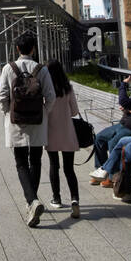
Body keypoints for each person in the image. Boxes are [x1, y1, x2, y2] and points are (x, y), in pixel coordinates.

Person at [0, 33, 57, 227]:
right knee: (36, 161)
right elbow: (51, 96)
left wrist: (9, 114)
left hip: (16, 123)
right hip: (38, 122)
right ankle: (32, 201)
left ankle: (32, 201)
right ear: (33, 49)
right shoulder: (42, 70)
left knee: (21, 162)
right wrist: (43, 113)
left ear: (17, 49)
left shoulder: (8, 68)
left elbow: (2, 97)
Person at [44, 60, 81, 218]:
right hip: (67, 133)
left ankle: (57, 198)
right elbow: (74, 112)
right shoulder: (68, 88)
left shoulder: (46, 91)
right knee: (69, 168)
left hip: (51, 133)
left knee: (54, 166)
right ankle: (75, 200)